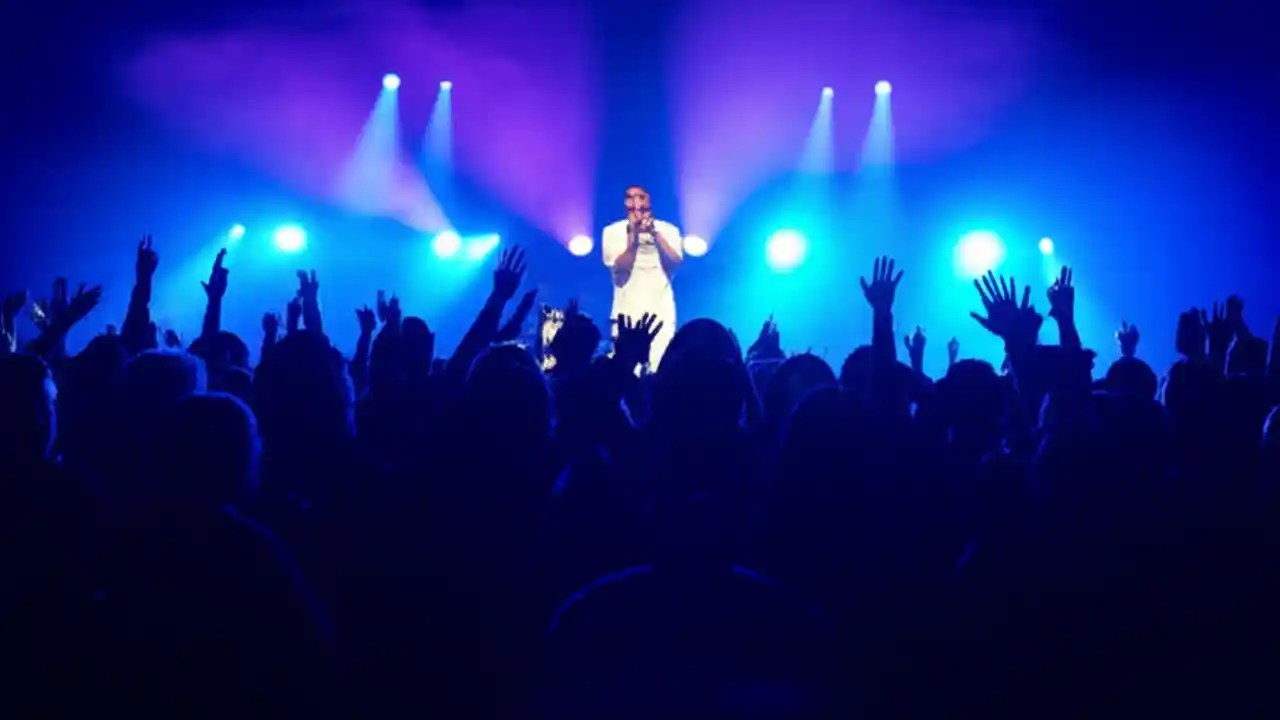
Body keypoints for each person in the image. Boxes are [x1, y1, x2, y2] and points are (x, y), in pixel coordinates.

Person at [601, 185, 682, 370]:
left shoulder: (669, 230)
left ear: (650, 200)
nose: (636, 203)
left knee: (659, 366)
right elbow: (620, 268)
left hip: (660, 309)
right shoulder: (611, 232)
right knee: (626, 369)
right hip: (627, 311)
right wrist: (633, 237)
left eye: (641, 197)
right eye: (630, 198)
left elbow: (676, 262)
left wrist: (655, 234)